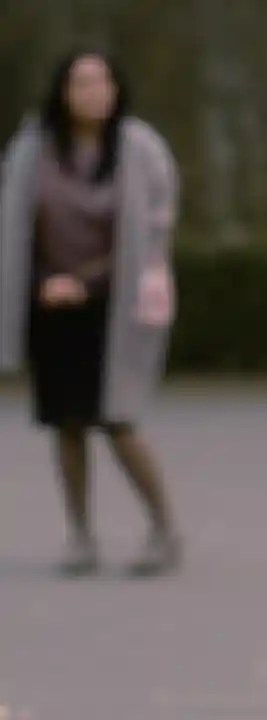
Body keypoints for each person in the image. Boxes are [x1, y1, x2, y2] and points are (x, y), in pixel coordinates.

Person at [0, 49, 181, 577]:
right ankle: (80, 535)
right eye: (81, 82)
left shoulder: (140, 148)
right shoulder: (32, 149)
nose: (93, 92)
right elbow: (15, 227)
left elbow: (152, 233)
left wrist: (84, 280)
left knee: (118, 420)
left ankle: (163, 529)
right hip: (50, 302)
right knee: (66, 423)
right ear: (62, 92)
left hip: (113, 306)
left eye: (102, 81)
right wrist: (46, 283)